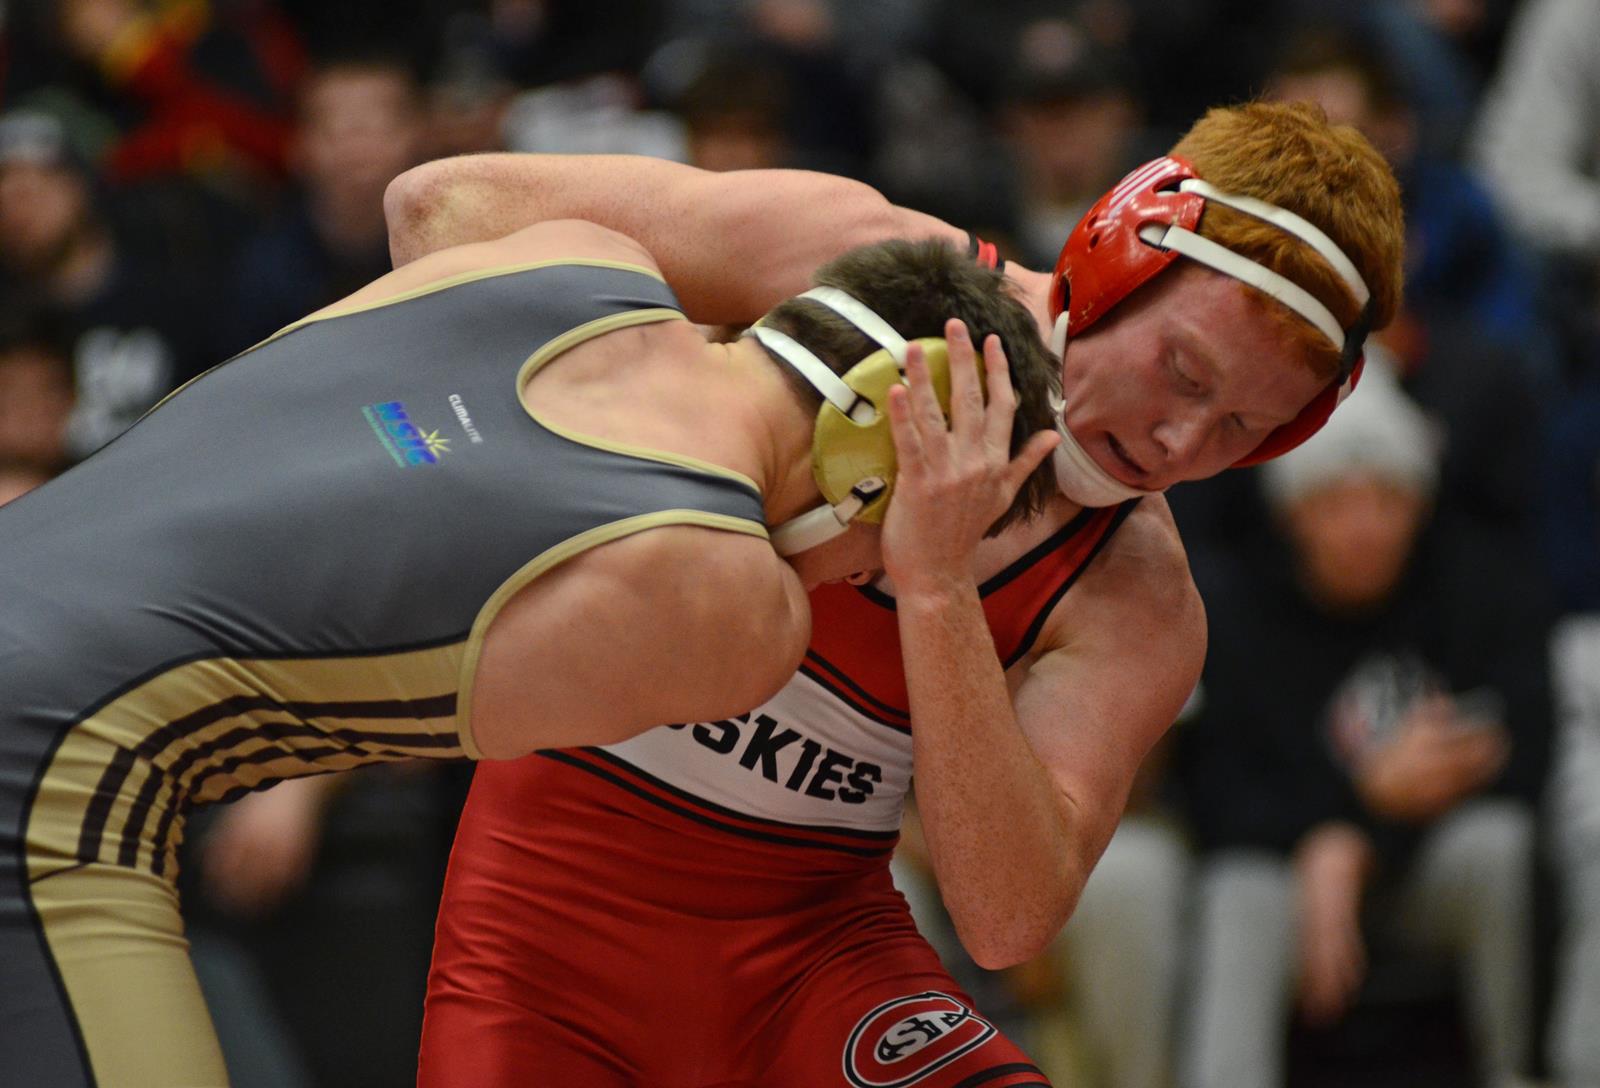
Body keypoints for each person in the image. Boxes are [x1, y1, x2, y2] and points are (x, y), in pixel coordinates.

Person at [388, 99, 1407, 1086]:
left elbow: (1006, 918)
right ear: (1116, 250)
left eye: (1240, 427)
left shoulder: (1129, 595)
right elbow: (439, 214)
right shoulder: (852, 263)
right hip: (543, 938)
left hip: (810, 963)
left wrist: (936, 588)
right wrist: (640, 453)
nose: (1179, 445)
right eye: (1184, 372)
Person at [0, 209, 1066, 1086]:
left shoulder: (572, 259)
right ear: (879, 455)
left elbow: (429, 194)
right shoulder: (728, 598)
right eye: (915, 529)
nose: (867, 579)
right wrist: (934, 570)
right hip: (50, 773)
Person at [1174, 364, 1550, 1088]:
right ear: (1293, 516)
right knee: (1236, 889)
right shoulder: (1239, 610)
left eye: (1389, 500)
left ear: (1421, 505)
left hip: (1428, 869)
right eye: (1335, 504)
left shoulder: (1471, 586)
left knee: (1500, 846)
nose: (1365, 527)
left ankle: (1523, 1071)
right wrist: (1349, 818)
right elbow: (1219, 799)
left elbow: (1519, 753)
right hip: (1288, 882)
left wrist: (1362, 836)